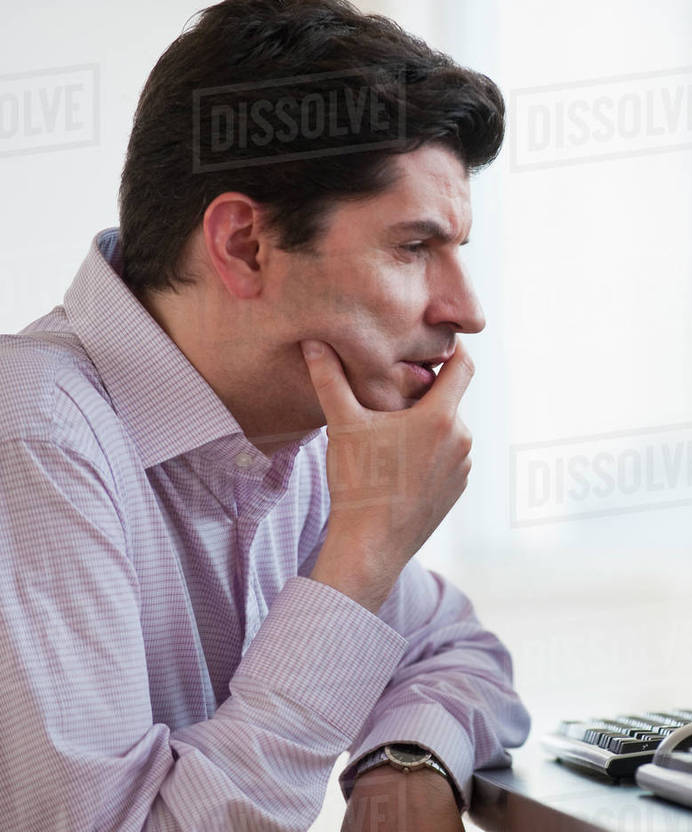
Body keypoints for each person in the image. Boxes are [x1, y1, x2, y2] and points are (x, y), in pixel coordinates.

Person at [0, 0, 530, 829]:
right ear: (244, 244)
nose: (466, 310)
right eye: (414, 247)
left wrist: (406, 759)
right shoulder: (32, 439)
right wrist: (361, 555)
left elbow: (454, 650)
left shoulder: (296, 443)